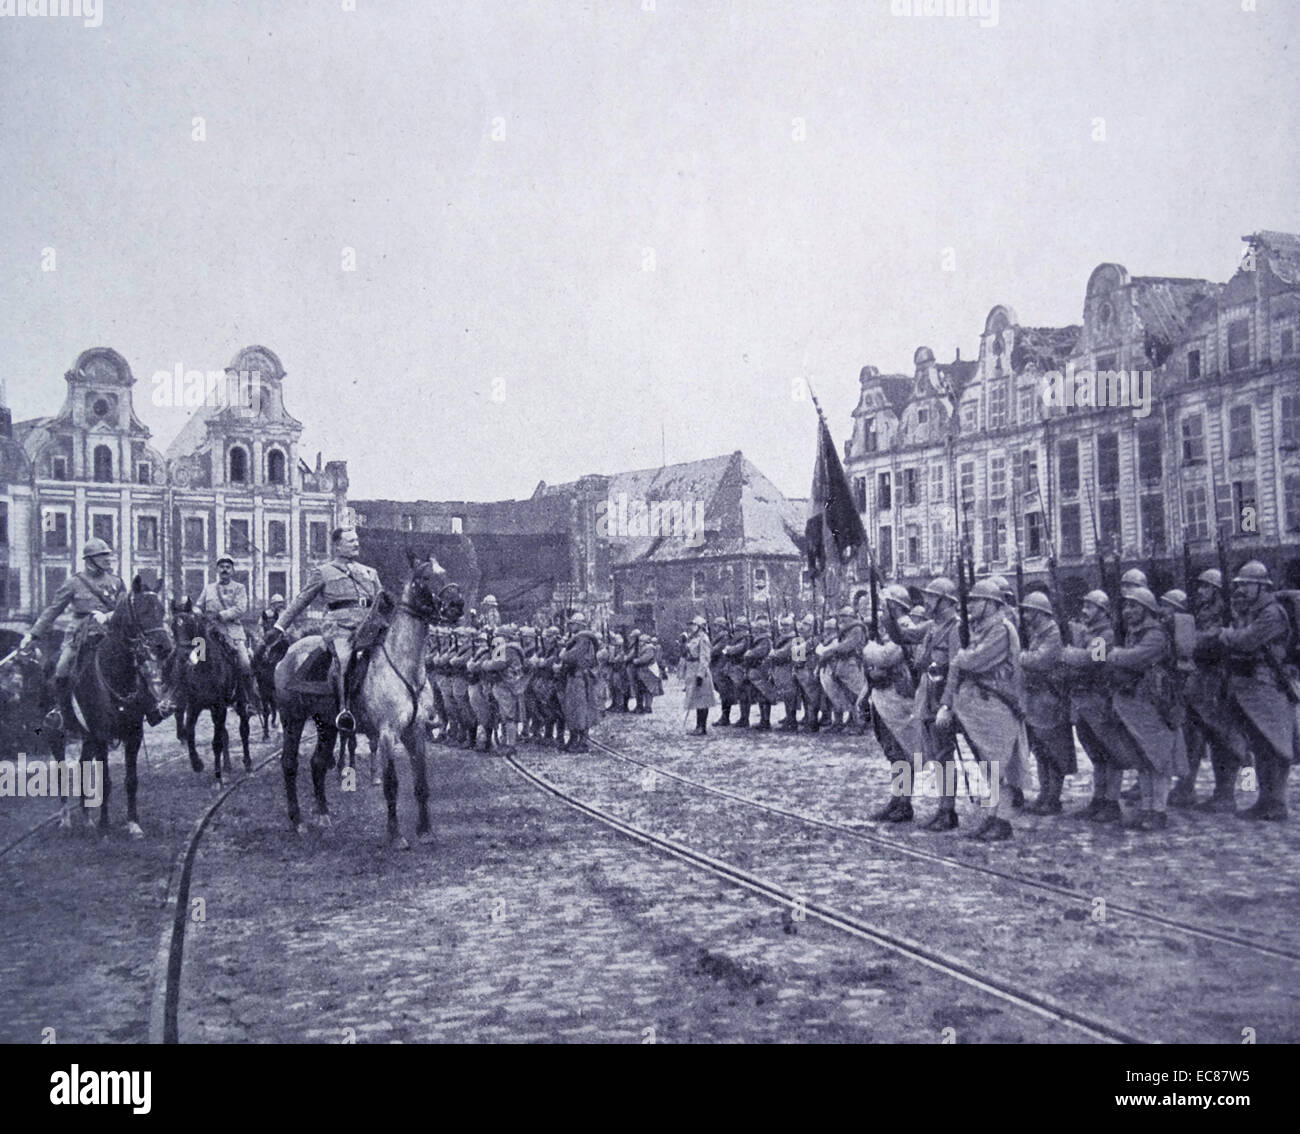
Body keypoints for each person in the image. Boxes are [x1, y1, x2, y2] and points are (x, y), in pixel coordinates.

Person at [1198, 561, 1296, 820]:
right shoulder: (1252, 611)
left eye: (1246, 585)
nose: (1240, 590)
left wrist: (1225, 634)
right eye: (1238, 585)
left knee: (1275, 746)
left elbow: (1246, 641)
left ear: (1262, 586)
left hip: (1267, 686)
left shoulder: (1272, 613)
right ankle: (1265, 801)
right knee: (1261, 746)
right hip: (1249, 687)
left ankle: (1277, 803)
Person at [936, 578, 1026, 841]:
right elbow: (961, 662)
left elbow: (971, 660)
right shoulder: (982, 629)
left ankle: (1003, 820)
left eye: (976, 600)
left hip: (1000, 702)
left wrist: (961, 658)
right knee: (990, 765)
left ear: (991, 604)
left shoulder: (1001, 629)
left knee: (1001, 765)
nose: (971, 605)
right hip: (982, 705)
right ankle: (993, 816)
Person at [269, 527, 381, 732]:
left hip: (369, 627)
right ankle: (344, 711)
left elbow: (381, 601)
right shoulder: (323, 572)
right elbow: (301, 600)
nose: (356, 544)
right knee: (344, 659)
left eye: (356, 540)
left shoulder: (370, 572)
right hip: (341, 629)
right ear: (337, 546)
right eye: (350, 541)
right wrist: (279, 626)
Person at [22, 537, 127, 731]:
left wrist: (108, 616)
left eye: (107, 555)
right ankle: (60, 711)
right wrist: (33, 634)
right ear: (89, 560)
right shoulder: (74, 583)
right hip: (80, 636)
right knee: (62, 666)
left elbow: (126, 609)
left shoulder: (117, 582)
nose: (107, 559)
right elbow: (53, 610)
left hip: (110, 633)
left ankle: (152, 706)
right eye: (102, 556)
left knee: (138, 659)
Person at [1174, 569, 1238, 809]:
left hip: (1219, 680)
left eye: (1204, 587)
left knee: (1222, 737)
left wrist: (1193, 638)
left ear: (1215, 590)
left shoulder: (1227, 613)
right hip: (1199, 679)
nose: (1200, 591)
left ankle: (1225, 793)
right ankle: (1185, 786)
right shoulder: (1203, 612)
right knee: (1192, 735)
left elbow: (1209, 640)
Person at [1060, 590, 1120, 822]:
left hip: (1100, 699)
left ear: (1103, 611)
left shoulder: (1106, 635)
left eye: (1090, 607)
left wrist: (1067, 653)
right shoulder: (1089, 633)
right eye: (1084, 606)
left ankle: (1111, 802)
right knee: (1096, 754)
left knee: (1109, 753)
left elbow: (1090, 660)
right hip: (1085, 700)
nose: (1084, 611)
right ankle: (1099, 799)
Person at [865, 585, 921, 823]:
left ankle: (904, 802)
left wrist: (868, 647)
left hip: (898, 697)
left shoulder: (905, 627)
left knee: (901, 751)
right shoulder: (889, 629)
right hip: (884, 695)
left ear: (896, 606)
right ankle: (897, 799)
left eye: (885, 604)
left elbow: (885, 657)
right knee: (892, 752)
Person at [1018, 591, 1075, 814]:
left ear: (1040, 613)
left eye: (1029, 611)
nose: (1024, 615)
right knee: (1041, 750)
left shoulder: (1052, 633)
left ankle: (1053, 797)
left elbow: (1041, 661)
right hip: (1037, 699)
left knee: (1054, 750)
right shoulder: (1038, 633)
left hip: (1051, 699)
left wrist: (1020, 657)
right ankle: (1044, 794)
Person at [913, 576, 962, 830]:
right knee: (937, 756)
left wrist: (947, 705)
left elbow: (955, 668)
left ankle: (948, 811)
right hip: (929, 697)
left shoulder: (955, 629)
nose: (927, 601)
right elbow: (921, 657)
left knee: (945, 755)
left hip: (942, 700)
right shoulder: (933, 628)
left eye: (932, 597)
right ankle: (943, 808)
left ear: (945, 601)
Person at [193, 556, 258, 709]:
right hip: (208, 632)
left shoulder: (239, 588)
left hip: (232, 633)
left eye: (228, 567)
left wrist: (222, 615)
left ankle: (248, 700)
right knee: (192, 659)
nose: (224, 569)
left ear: (232, 570)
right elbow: (198, 606)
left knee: (245, 663)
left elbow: (241, 608)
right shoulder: (208, 588)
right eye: (221, 566)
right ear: (217, 570)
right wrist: (196, 612)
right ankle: (184, 695)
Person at [817, 605, 867, 732]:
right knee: (841, 694)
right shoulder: (846, 630)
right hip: (843, 665)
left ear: (851, 617)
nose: (841, 619)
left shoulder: (856, 629)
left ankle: (857, 724)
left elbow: (847, 646)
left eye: (844, 616)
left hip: (853, 664)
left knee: (855, 694)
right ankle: (841, 723)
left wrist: (831, 649)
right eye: (841, 616)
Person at [560, 612, 601, 751]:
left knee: (580, 710)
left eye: (572, 624)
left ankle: (582, 742)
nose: (570, 626)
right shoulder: (579, 638)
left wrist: (562, 653)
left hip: (579, 678)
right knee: (572, 709)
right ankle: (574, 739)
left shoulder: (583, 639)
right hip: (574, 677)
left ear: (579, 624)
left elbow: (570, 657)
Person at [681, 615, 716, 735]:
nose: (691, 627)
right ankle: (698, 725)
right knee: (696, 700)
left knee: (702, 700)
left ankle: (702, 727)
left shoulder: (703, 639)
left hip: (701, 672)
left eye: (694, 625)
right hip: (692, 670)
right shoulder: (693, 638)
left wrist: (700, 675)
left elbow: (705, 658)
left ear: (700, 627)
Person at [742, 613, 776, 730]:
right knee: (761, 696)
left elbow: (758, 652)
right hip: (758, 670)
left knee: (764, 695)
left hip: (762, 670)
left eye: (757, 628)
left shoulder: (765, 640)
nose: (755, 630)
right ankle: (763, 720)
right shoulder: (759, 639)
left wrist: (749, 653)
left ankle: (766, 722)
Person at [767, 614, 800, 731]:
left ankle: (792, 721)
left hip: (789, 669)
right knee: (786, 696)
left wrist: (773, 653)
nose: (783, 627)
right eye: (782, 625)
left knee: (790, 696)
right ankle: (789, 718)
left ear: (792, 626)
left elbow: (785, 652)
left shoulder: (794, 638)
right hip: (781, 669)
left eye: (786, 625)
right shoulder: (782, 637)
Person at [722, 618, 752, 726]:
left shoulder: (745, 638)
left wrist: (728, 649)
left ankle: (745, 718)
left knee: (743, 694)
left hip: (741, 667)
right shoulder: (739, 637)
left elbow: (738, 649)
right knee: (740, 694)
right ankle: (743, 718)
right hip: (735, 666)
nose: (737, 630)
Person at [710, 617, 734, 725]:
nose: (714, 628)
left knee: (724, 692)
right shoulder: (720, 636)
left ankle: (725, 717)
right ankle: (724, 717)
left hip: (721, 666)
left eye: (716, 625)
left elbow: (715, 650)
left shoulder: (724, 637)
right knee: (723, 692)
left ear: (721, 626)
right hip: (717, 666)